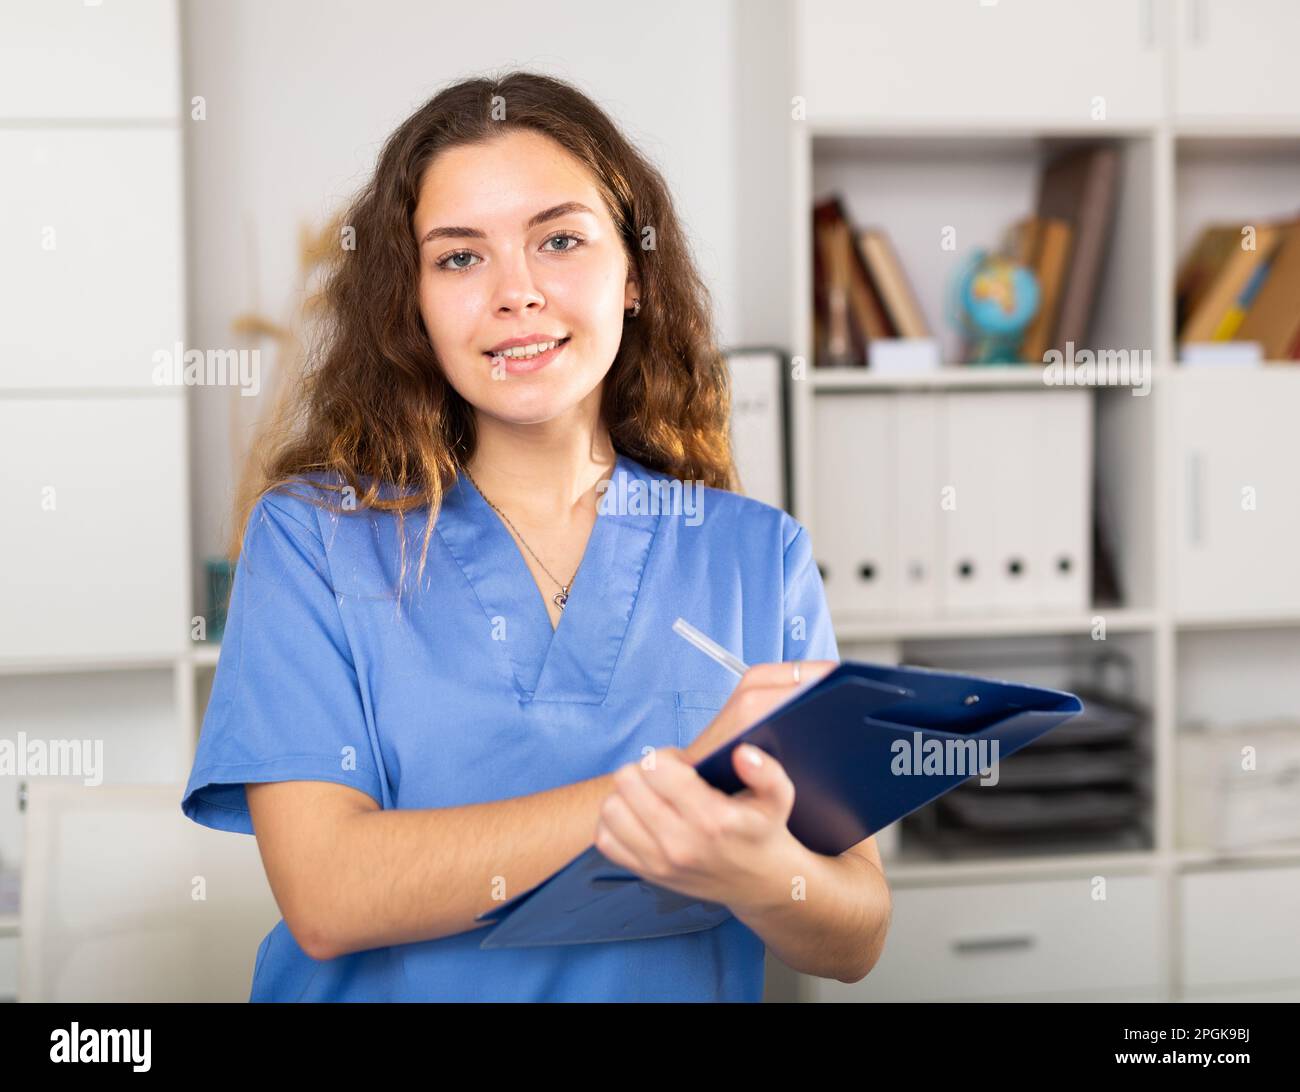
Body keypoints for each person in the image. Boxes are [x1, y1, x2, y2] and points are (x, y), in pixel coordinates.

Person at [181, 70, 890, 1002]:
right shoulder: (313, 540)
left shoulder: (758, 557)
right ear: (414, 302)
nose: (515, 294)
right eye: (460, 258)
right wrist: (675, 791)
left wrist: (755, 867)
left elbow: (853, 934)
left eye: (559, 240)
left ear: (632, 275)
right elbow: (328, 893)